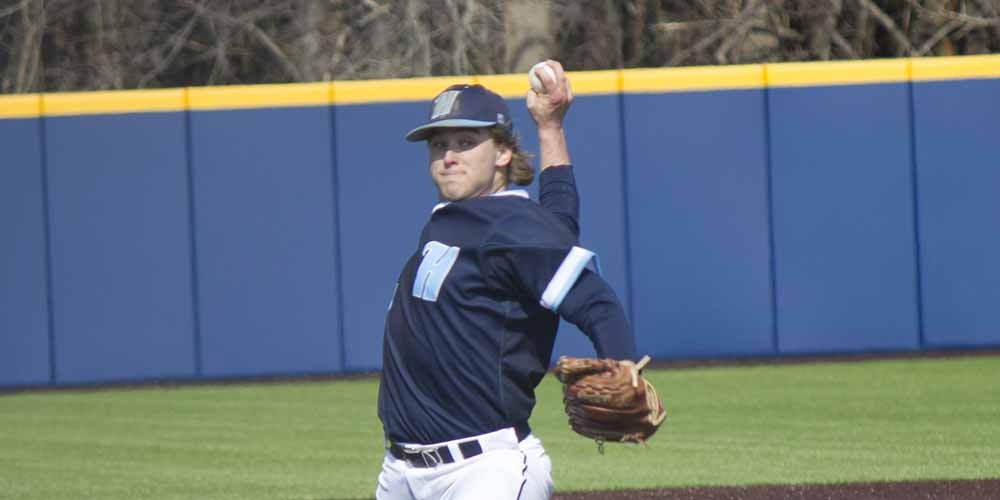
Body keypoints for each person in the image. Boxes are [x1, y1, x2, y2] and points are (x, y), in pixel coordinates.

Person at [375, 60, 637, 500]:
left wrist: (622, 362)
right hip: (401, 472)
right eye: (438, 144)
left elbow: (595, 300)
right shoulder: (469, 219)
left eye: (465, 141)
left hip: (482, 472)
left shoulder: (509, 227)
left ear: (502, 153)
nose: (448, 155)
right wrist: (550, 129)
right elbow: (560, 224)